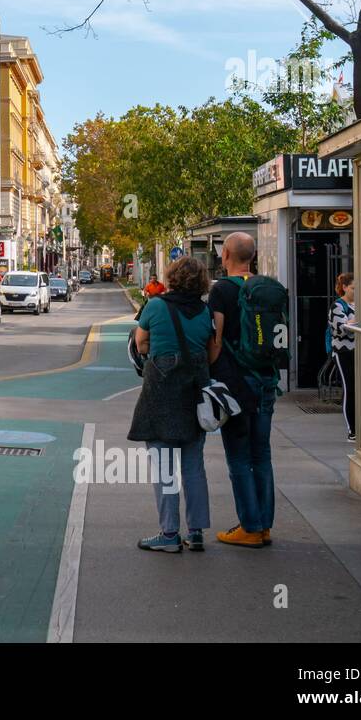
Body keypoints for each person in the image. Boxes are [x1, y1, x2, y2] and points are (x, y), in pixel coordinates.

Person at [127, 256, 216, 553]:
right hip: (194, 394)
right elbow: (211, 352)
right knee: (194, 466)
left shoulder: (155, 306)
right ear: (202, 281)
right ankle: (197, 531)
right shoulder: (206, 312)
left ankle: (168, 534)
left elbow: (141, 343)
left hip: (160, 393)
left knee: (164, 468)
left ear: (172, 277)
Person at [208, 231, 278, 548]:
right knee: (261, 454)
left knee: (238, 456)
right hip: (267, 380)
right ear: (253, 256)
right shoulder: (263, 287)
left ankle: (249, 526)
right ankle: (263, 525)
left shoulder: (222, 290)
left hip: (237, 384)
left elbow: (217, 340)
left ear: (225, 255)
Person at [330, 273, 357, 441]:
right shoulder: (338, 306)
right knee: (350, 389)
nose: (356, 291)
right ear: (345, 287)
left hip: (359, 350)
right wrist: (355, 321)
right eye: (353, 288)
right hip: (344, 352)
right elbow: (341, 328)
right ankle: (352, 429)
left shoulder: (360, 304)